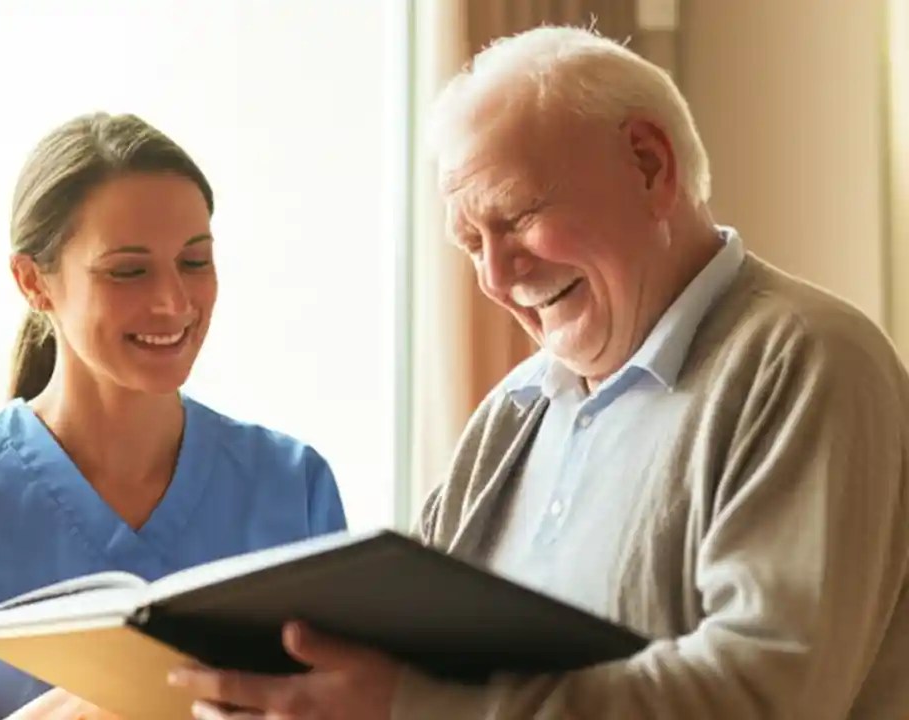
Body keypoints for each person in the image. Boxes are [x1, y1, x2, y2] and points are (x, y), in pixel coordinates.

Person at [169, 25, 909, 719]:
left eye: (517, 216)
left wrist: (417, 708)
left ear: (650, 166)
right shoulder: (514, 412)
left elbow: (761, 693)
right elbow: (419, 659)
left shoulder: (806, 361)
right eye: (471, 243)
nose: (495, 275)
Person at [0, 112, 348, 720]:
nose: (173, 302)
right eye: (129, 270)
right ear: (33, 283)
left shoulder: (293, 485)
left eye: (195, 261)